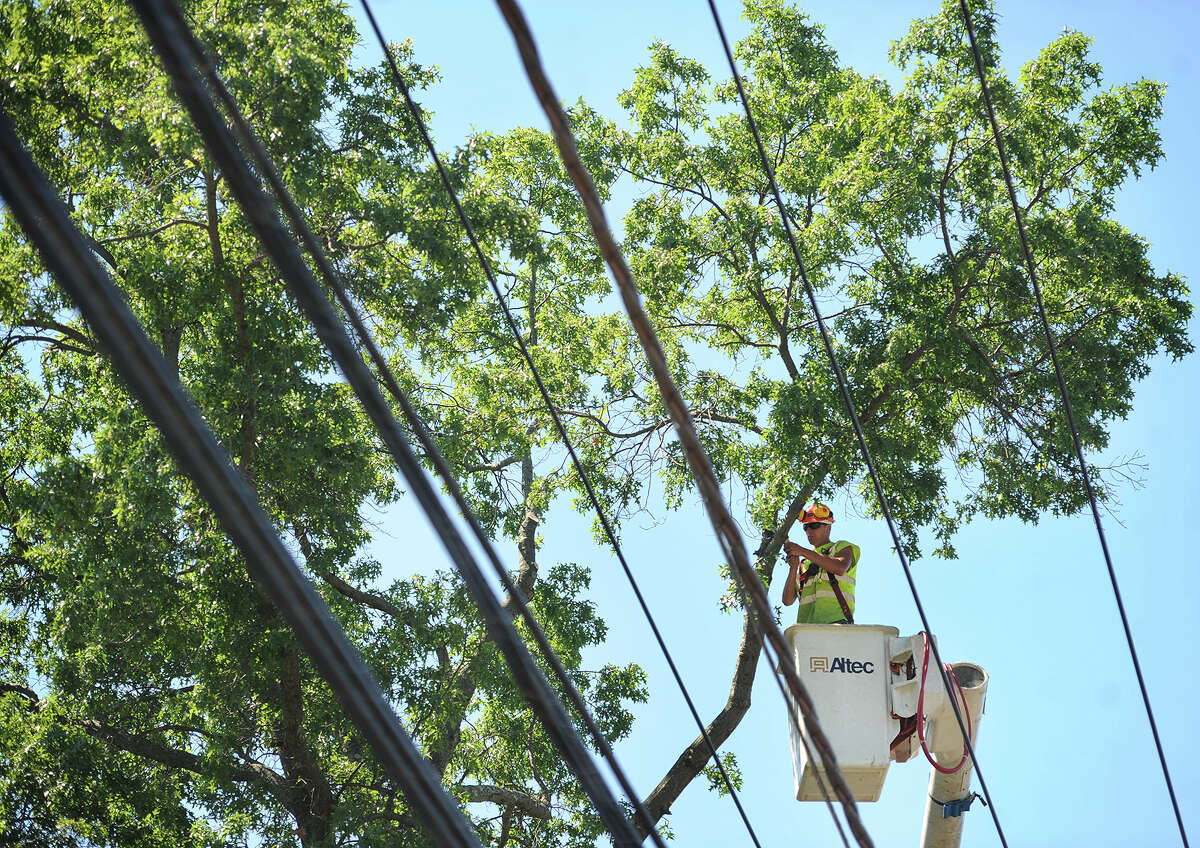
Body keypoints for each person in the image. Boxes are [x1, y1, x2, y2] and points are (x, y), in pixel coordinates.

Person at [781, 503, 861, 624]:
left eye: (814, 525)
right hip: (807, 629)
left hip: (836, 624)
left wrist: (802, 551)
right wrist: (794, 567)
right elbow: (787, 601)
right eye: (806, 527)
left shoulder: (842, 547)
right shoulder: (804, 563)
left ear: (828, 528)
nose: (808, 530)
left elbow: (840, 568)